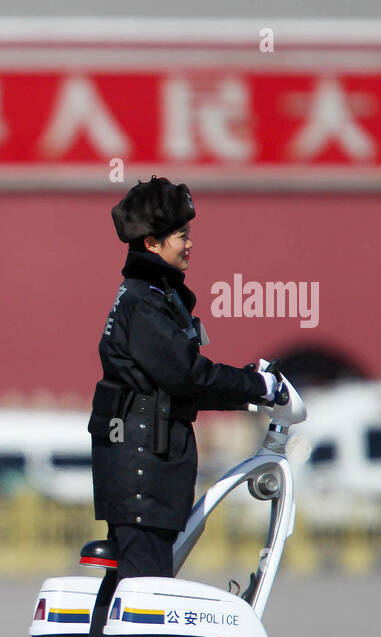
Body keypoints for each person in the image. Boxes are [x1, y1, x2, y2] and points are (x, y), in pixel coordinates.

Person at [87, 175, 287, 583]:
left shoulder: (154, 296)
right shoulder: (145, 302)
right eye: (181, 235)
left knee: (127, 589)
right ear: (152, 244)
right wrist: (260, 387)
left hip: (146, 468)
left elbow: (183, 380)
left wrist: (246, 390)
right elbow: (188, 376)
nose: (190, 243)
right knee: (145, 592)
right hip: (143, 470)